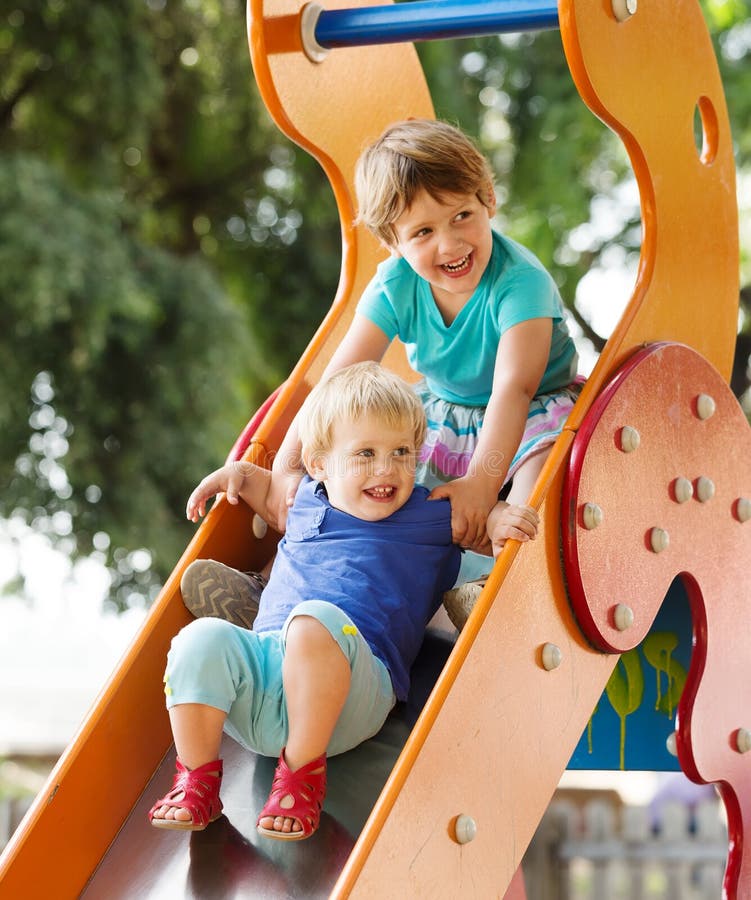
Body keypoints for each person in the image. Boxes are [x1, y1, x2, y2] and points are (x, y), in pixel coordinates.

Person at [181, 117, 580, 630]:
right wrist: (289, 467)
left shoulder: (520, 282)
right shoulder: (396, 284)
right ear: (393, 242)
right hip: (446, 410)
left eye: (462, 215)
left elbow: (514, 388)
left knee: (538, 466)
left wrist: (482, 486)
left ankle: (497, 584)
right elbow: (338, 381)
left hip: (536, 407)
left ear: (488, 201)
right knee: (375, 468)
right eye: (423, 232)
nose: (450, 243)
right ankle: (275, 582)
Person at [149, 362, 461, 839]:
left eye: (402, 452)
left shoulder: (427, 513)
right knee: (198, 639)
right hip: (264, 688)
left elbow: (484, 521)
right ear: (319, 465)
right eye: (365, 454)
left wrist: (500, 521)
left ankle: (300, 778)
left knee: (312, 622)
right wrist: (231, 475)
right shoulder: (304, 497)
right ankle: (197, 780)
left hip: (354, 689)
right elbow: (259, 486)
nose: (387, 468)